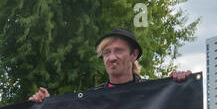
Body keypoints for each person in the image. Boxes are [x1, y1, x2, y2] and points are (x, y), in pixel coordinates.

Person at [28, 28, 192, 101]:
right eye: (106, 53)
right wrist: (47, 104)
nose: (112, 57)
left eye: (118, 51)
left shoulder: (154, 94)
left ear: (133, 55)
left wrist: (181, 86)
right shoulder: (92, 98)